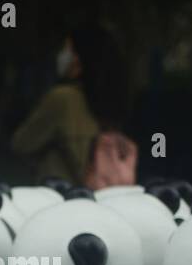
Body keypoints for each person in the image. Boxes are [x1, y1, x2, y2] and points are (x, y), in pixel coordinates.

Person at [11, 24, 128, 187]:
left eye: (67, 49)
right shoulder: (110, 101)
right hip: (103, 199)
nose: (62, 55)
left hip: (61, 197)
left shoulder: (62, 98)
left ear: (78, 60)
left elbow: (21, 143)